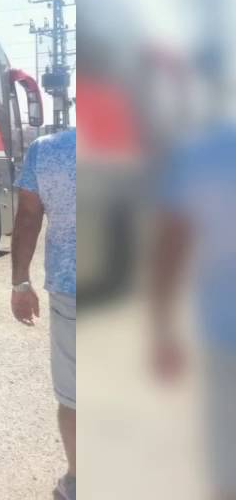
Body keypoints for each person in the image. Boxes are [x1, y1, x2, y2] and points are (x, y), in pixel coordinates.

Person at [152, 121, 236, 500]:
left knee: (224, 460)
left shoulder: (199, 154)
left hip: (222, 335)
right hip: (221, 334)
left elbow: (171, 247)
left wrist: (164, 331)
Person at [10, 128, 76, 500]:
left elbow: (28, 218)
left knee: (74, 396)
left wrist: (20, 283)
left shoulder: (46, 150)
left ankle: (80, 482)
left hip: (73, 290)